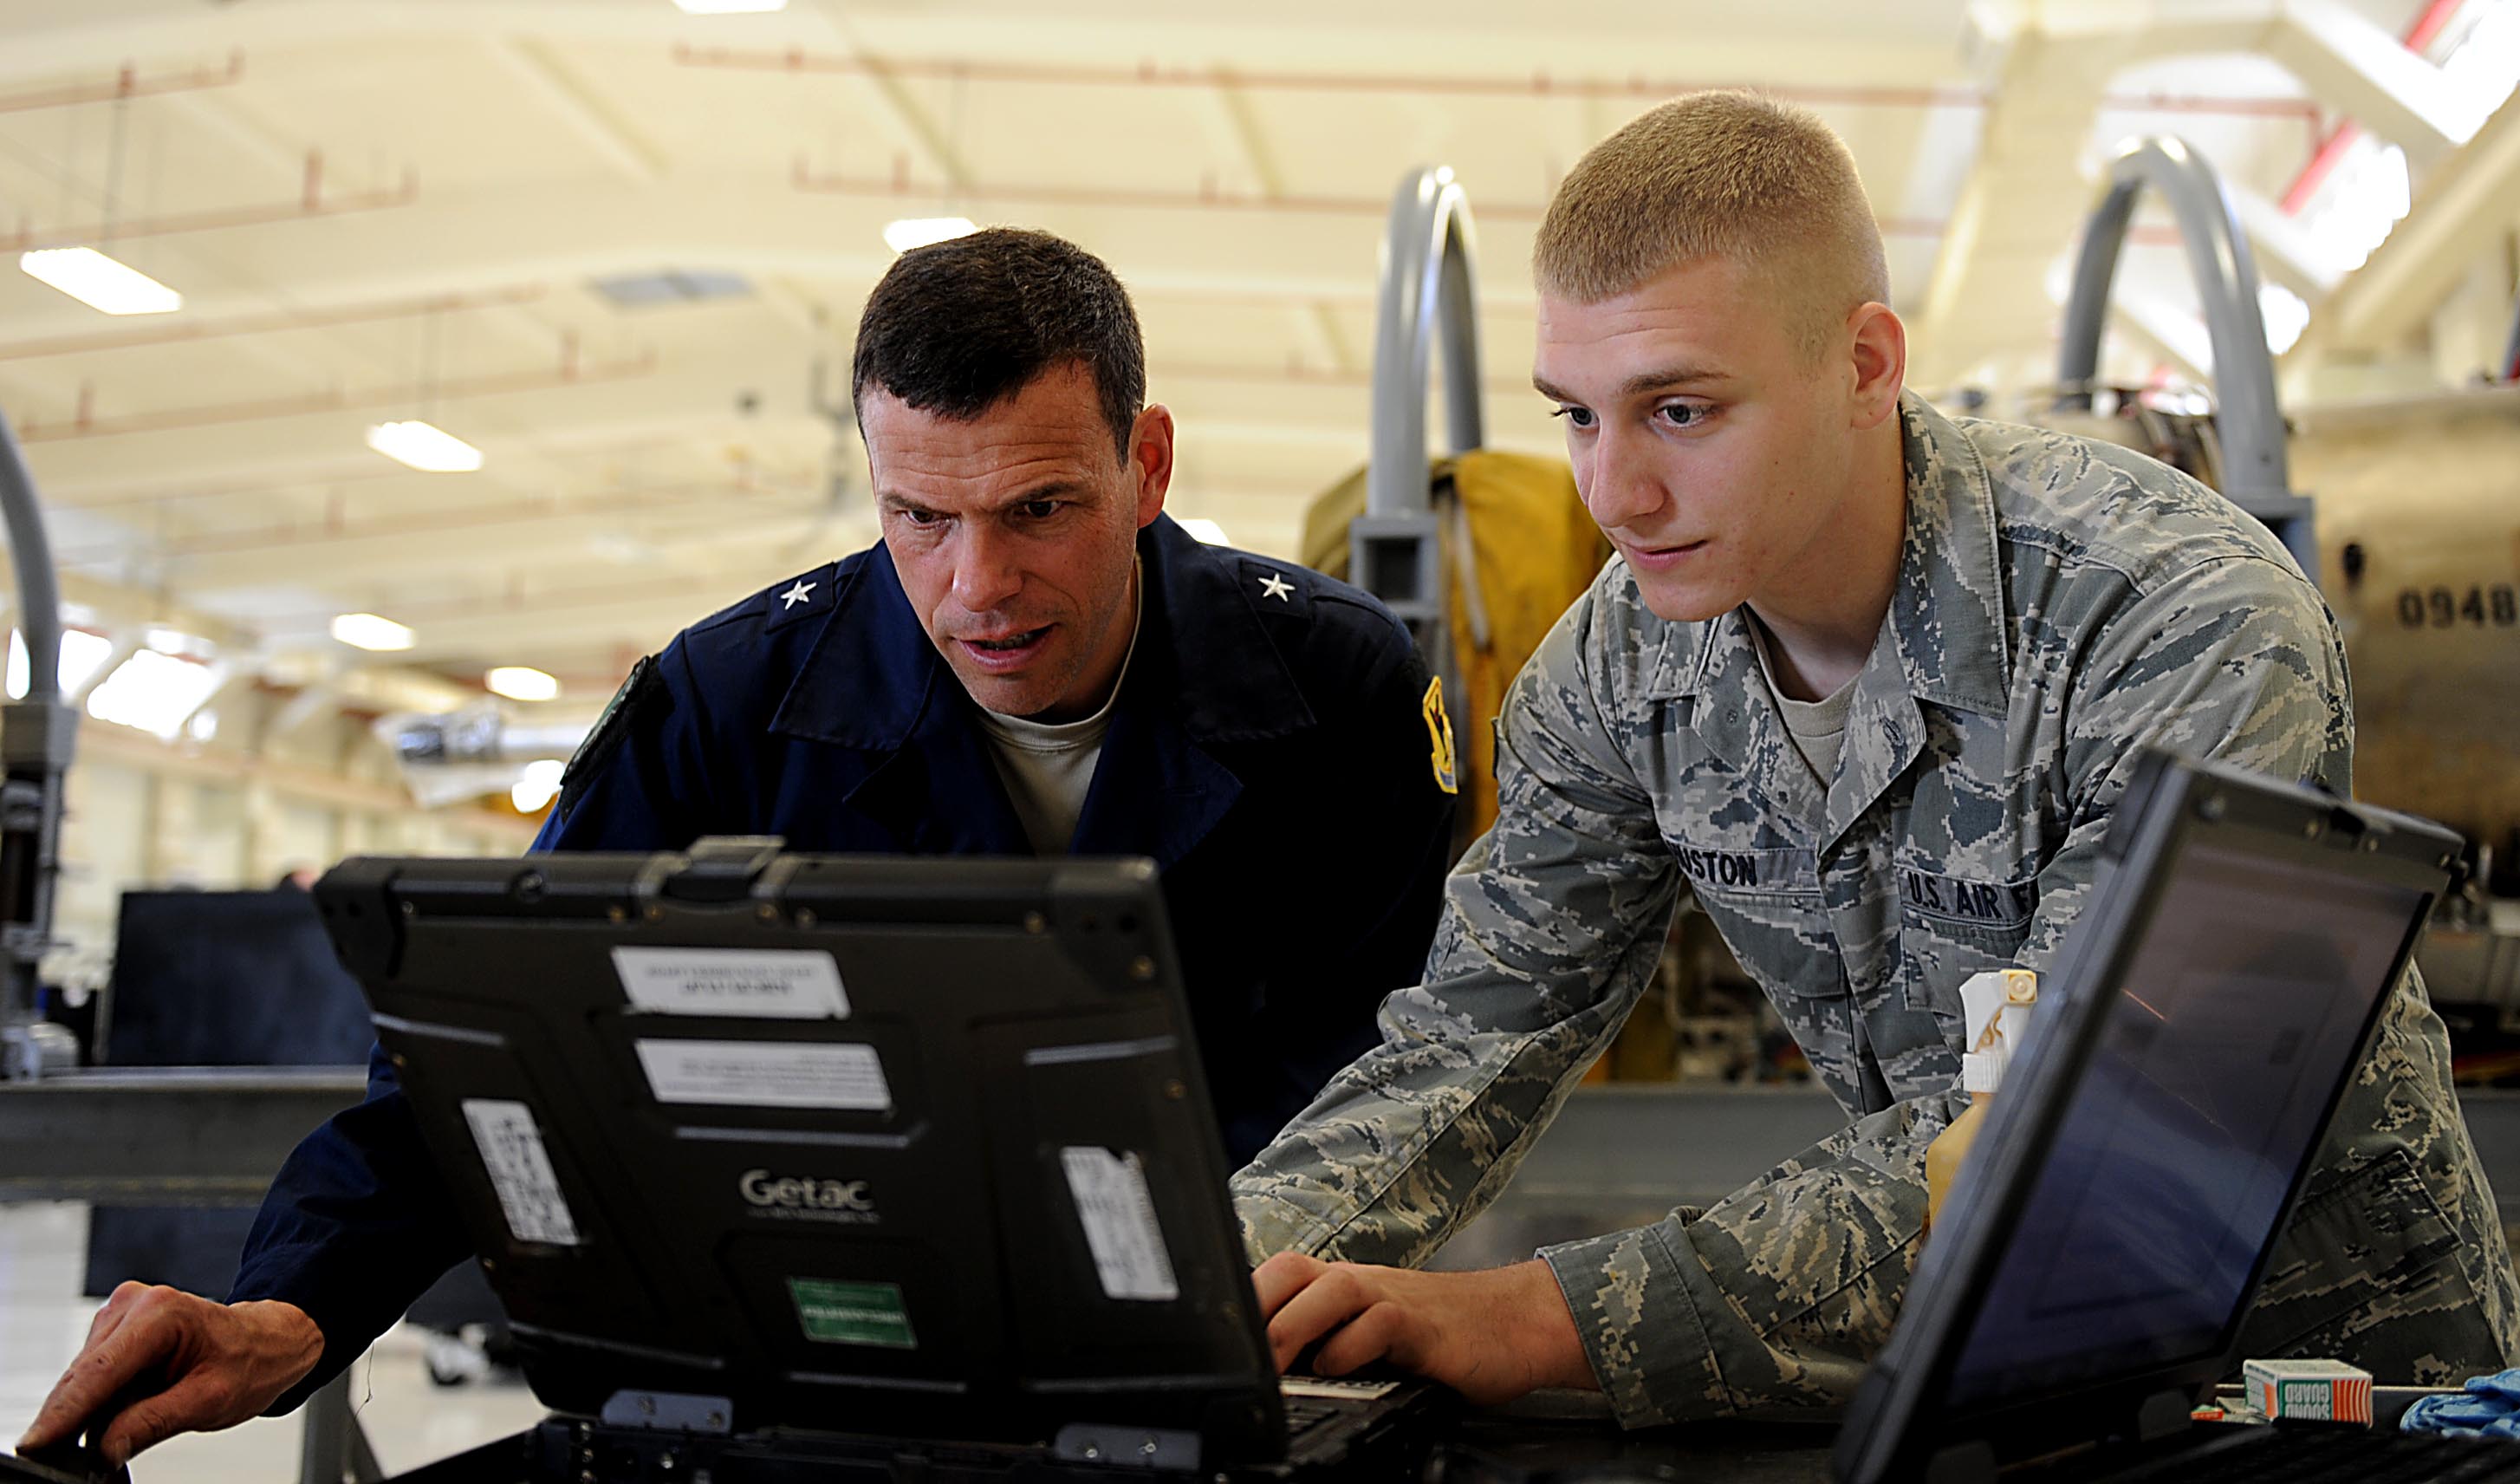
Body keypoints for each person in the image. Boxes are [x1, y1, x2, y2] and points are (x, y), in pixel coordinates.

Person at [23, 228, 1456, 1465]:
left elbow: (1396, 1077)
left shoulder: (1335, 699)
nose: (978, 586)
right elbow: (496, 1052)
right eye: (920, 517)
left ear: (1144, 466)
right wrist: (292, 1306)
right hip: (814, 1373)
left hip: (1208, 1373)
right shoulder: (727, 706)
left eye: (1039, 510)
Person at [1239, 92, 2520, 1424]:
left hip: (2330, 1391)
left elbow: (2073, 1137)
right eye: (1577, 416)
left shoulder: (2174, 619)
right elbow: (1473, 1037)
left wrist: (1544, 1315)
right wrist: (1211, 1284)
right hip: (1979, 1397)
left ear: (1864, 364)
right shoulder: (1612, 677)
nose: (1615, 494)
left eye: (1679, 411)